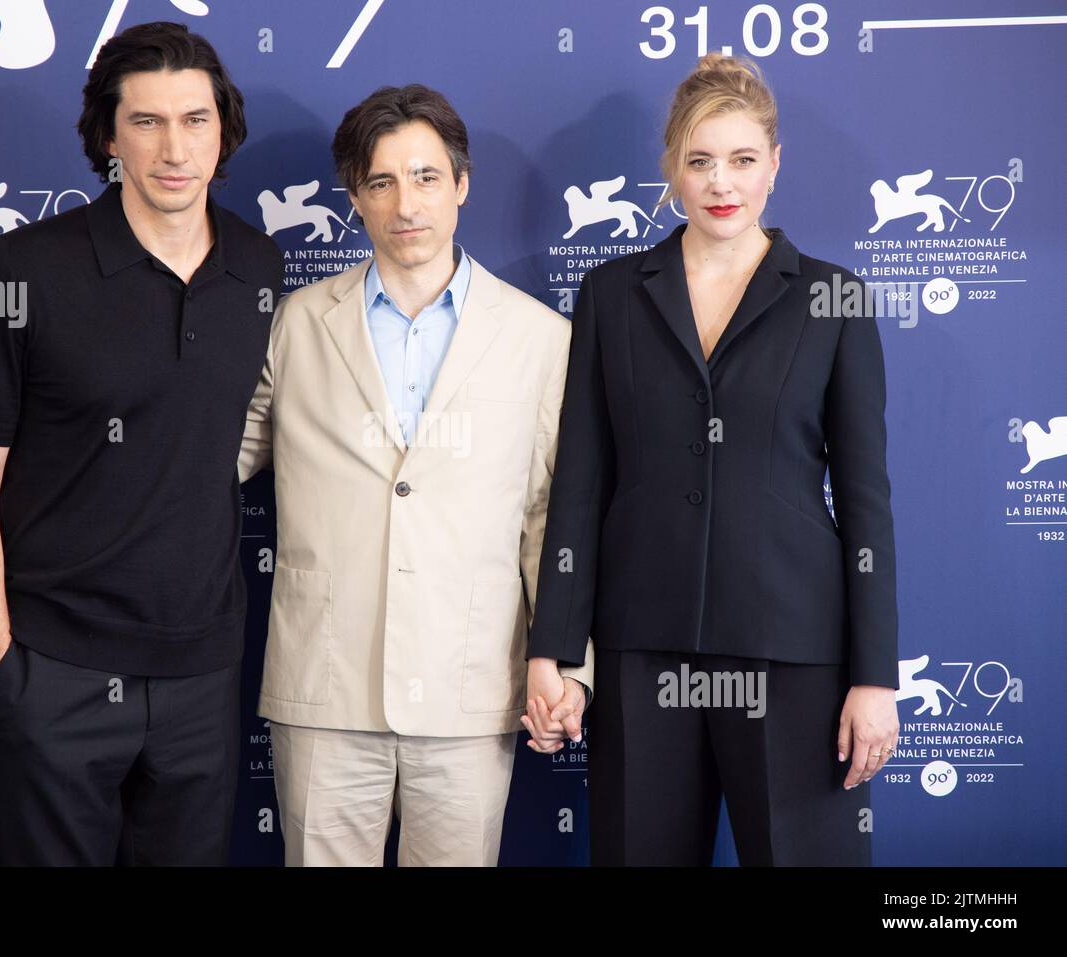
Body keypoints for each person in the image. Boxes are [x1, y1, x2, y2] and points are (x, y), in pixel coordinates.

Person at [525, 53, 901, 866]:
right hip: (642, 648)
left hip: (795, 654)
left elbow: (867, 500)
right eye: (699, 161)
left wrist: (876, 676)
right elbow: (581, 486)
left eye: (741, 159)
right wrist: (553, 651)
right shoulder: (612, 294)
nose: (720, 182)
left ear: (775, 164)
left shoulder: (834, 299)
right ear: (671, 170)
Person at [0, 21, 283, 865]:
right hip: (52, 669)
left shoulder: (260, 269)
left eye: (195, 120)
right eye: (147, 121)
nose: (173, 147)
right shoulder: (16, 270)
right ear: (108, 135)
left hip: (202, 675)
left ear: (222, 130)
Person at [239, 84, 593, 867]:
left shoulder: (540, 338)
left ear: (462, 186)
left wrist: (569, 665)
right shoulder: (295, 323)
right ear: (355, 197)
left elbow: (554, 519)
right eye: (382, 182)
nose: (408, 203)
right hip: (324, 684)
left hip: (472, 688)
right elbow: (209, 462)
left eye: (428, 177)